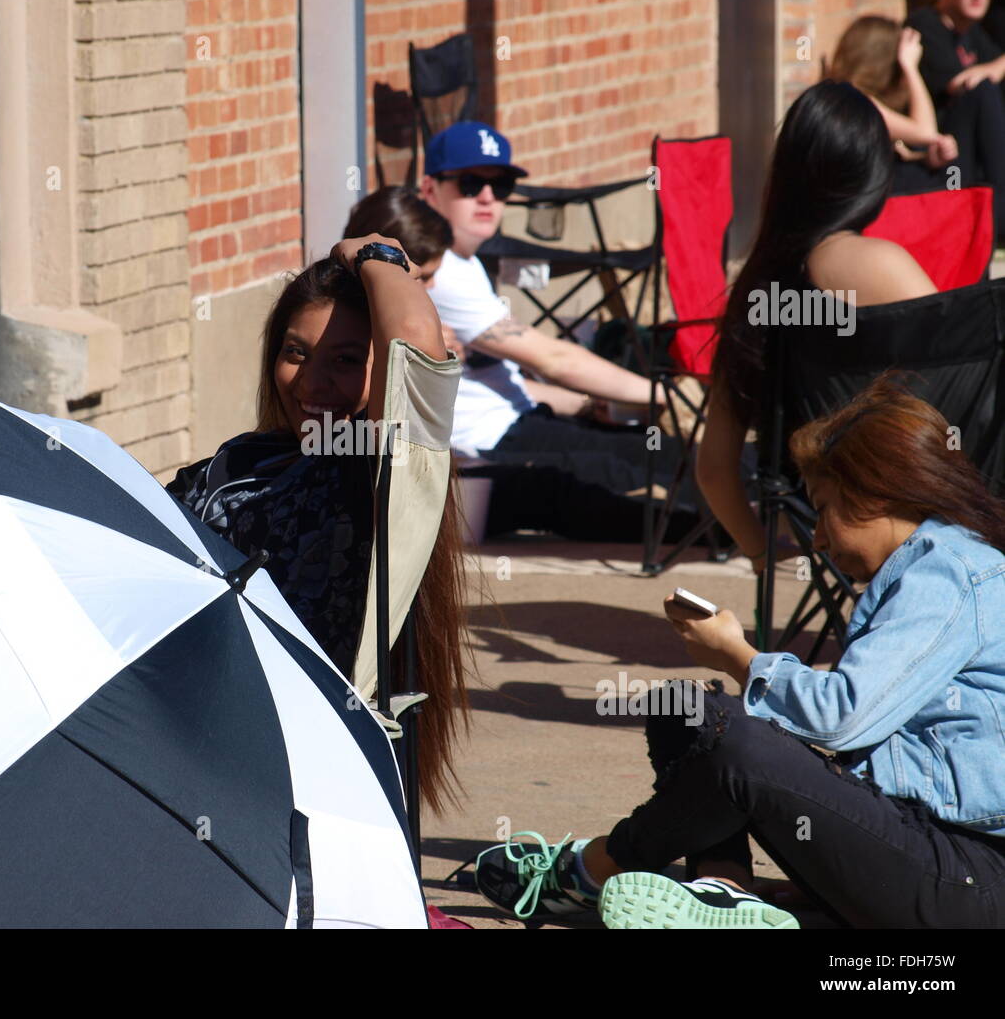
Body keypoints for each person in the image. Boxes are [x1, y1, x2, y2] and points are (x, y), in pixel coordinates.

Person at [474, 374, 1005, 928]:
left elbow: (842, 719)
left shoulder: (948, 571)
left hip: (964, 880)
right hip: (921, 852)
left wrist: (739, 656)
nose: (818, 539)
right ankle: (724, 892)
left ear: (879, 494)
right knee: (686, 711)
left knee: (736, 736)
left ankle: (595, 867)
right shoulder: (934, 565)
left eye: (824, 510)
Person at [167, 235, 469, 813]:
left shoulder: (377, 468)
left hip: (305, 763)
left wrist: (372, 255)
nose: (311, 385)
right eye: (296, 353)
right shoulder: (242, 460)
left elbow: (416, 343)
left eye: (346, 361)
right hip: (198, 732)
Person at [418, 120, 706, 543]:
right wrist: (663, 393)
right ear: (430, 189)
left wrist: (589, 404)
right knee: (632, 470)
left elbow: (501, 385)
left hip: (518, 422)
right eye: (469, 183)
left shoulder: (466, 261)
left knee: (659, 453)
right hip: (492, 446)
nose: (486, 198)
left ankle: (777, 495)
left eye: (499, 188)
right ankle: (740, 524)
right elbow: (554, 360)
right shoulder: (440, 272)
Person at [696, 80, 936, 574]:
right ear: (873, 171)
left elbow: (715, 468)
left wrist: (763, 555)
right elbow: (964, 377)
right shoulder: (880, 265)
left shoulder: (756, 290)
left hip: (812, 504)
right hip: (912, 501)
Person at [906, 0, 1005, 232]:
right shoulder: (924, 24)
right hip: (937, 152)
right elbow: (964, 83)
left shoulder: (972, 33)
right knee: (983, 91)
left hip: (966, 151)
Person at [827, 15, 960, 191]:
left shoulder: (844, 94)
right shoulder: (855, 101)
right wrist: (910, 67)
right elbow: (926, 132)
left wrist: (926, 159)